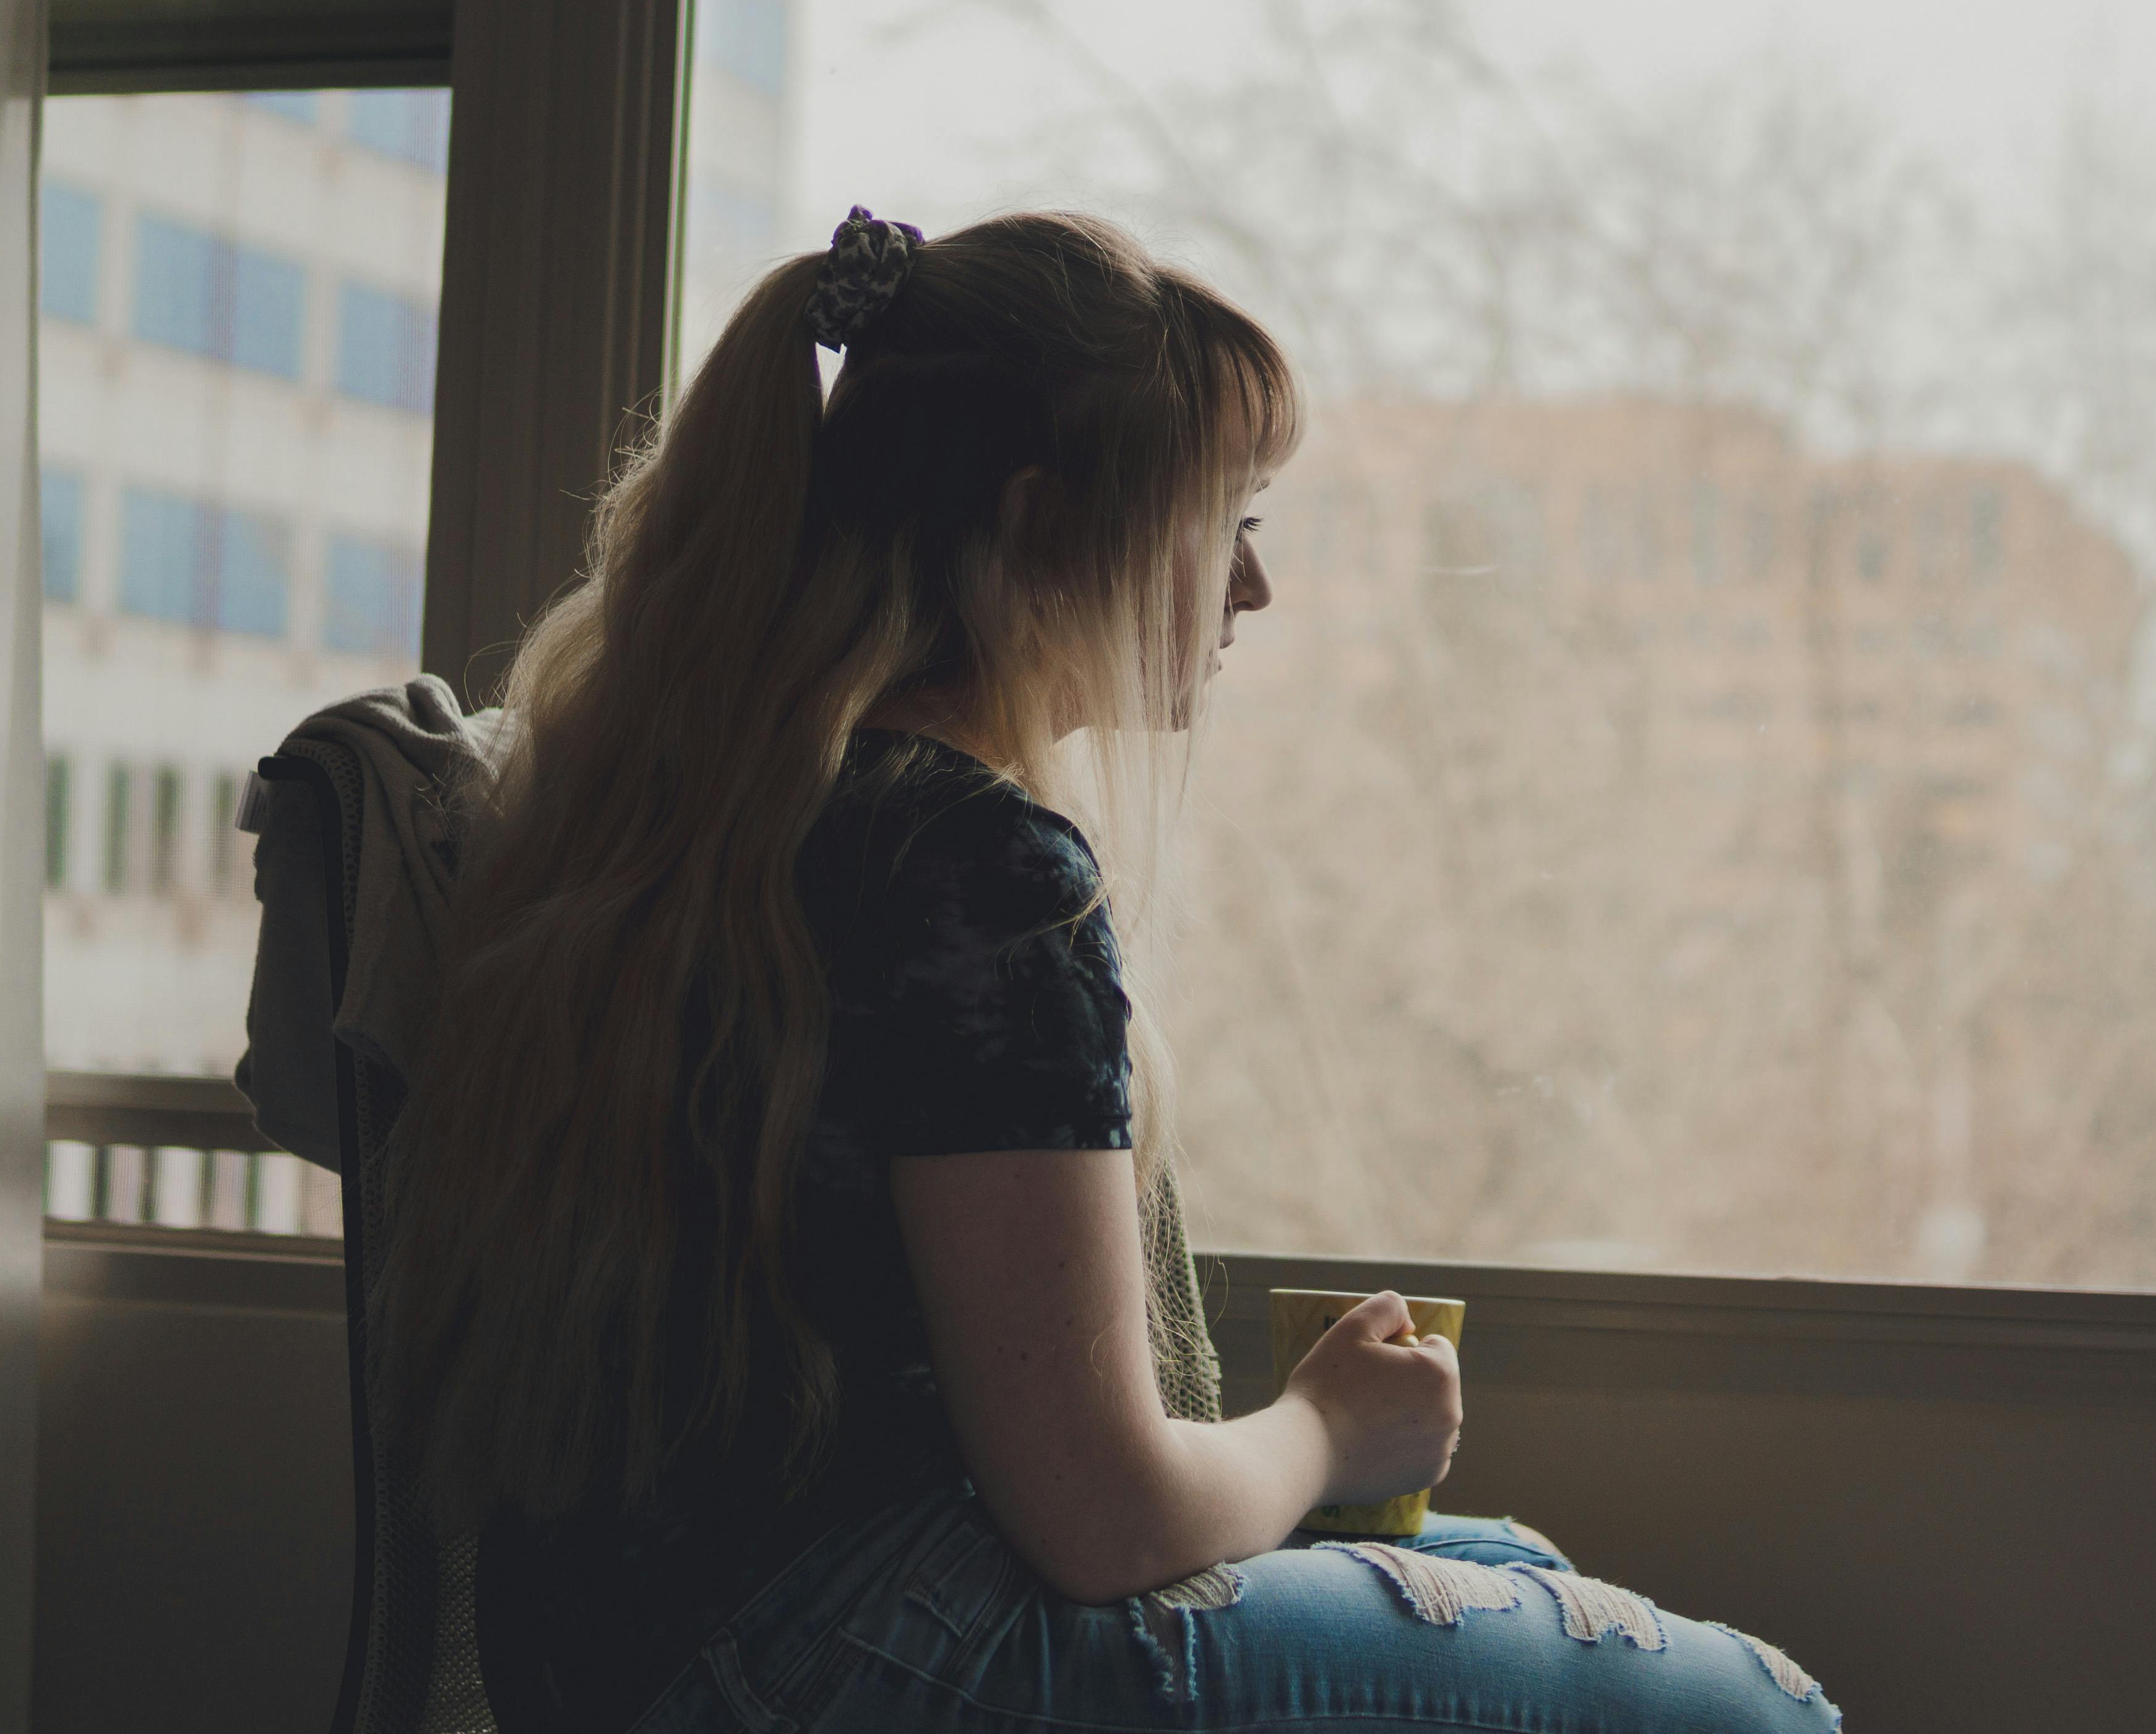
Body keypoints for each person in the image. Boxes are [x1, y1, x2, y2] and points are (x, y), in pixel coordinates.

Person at [376, 207, 1842, 1733]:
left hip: (662, 1661)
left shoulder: (736, 810)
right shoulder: (972, 866)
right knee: (1756, 1715)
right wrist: (1326, 1431)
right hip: (860, 1657)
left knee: (1517, 1566)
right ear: (1040, 526)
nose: (1251, 590)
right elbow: (1106, 1517)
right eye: (1229, 519)